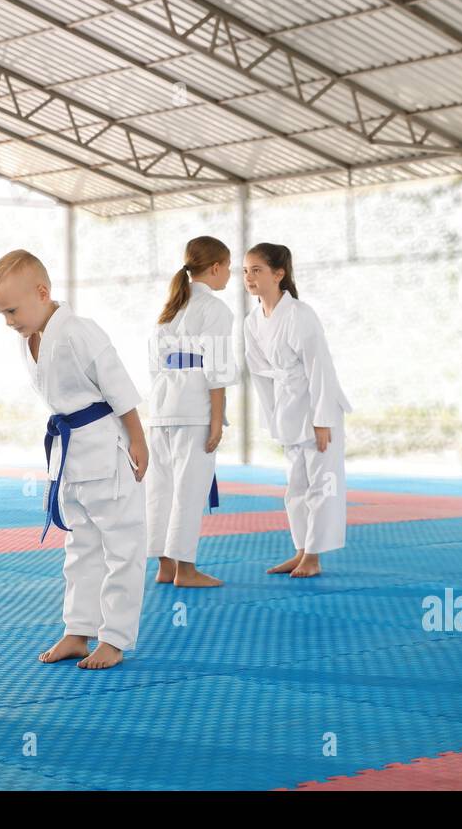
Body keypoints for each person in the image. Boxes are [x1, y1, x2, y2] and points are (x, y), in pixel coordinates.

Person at [0, 250, 148, 669]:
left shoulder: (78, 331)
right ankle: (78, 631)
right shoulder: (30, 339)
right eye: (2, 314)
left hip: (108, 452)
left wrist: (139, 441)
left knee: (123, 548)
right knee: (80, 546)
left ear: (42, 292)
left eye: (13, 310)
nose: (9, 322)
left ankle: (114, 638)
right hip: (70, 454)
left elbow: (120, 388)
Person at [243, 243, 351, 579]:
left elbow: (321, 368)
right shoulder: (252, 321)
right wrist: (273, 417)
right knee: (296, 487)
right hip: (289, 411)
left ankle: (314, 556)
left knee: (323, 484)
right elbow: (259, 374)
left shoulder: (300, 315)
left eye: (257, 270)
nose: (249, 277)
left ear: (279, 274)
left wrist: (322, 419)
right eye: (245, 271)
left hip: (318, 408)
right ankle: (301, 549)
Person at [145, 235, 240, 588]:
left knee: (161, 488)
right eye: (228, 268)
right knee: (189, 489)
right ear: (215, 268)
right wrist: (217, 419)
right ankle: (185, 569)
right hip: (194, 408)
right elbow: (217, 369)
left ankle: (164, 565)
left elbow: (155, 365)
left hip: (161, 408)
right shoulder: (215, 309)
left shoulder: (170, 308)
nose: (230, 274)